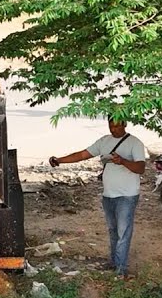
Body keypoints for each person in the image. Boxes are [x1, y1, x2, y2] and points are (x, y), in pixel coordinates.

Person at [48, 118, 147, 277]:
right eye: (111, 126)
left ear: (125, 124)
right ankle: (115, 263)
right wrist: (59, 160)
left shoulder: (135, 143)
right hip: (108, 195)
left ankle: (121, 270)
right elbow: (82, 155)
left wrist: (122, 161)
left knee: (123, 233)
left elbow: (141, 168)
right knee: (113, 231)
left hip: (127, 195)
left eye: (117, 126)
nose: (114, 129)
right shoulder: (104, 141)